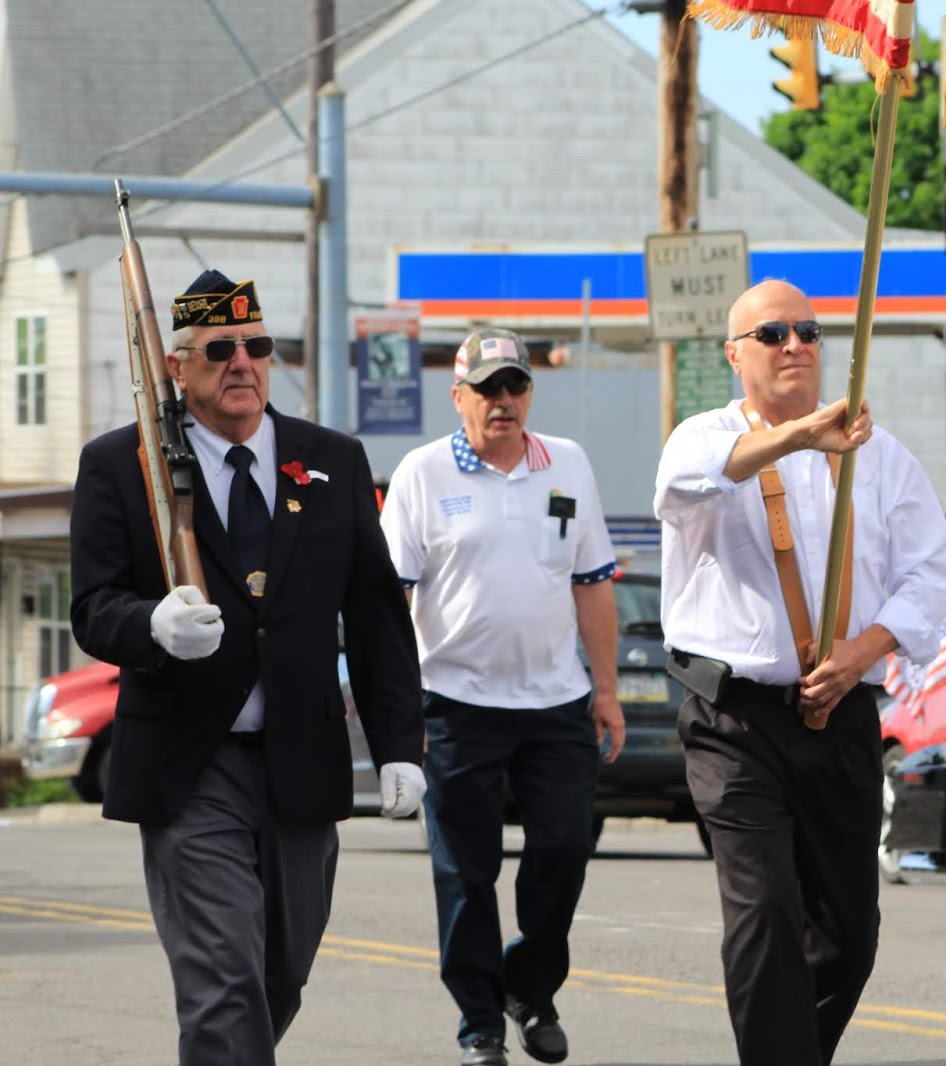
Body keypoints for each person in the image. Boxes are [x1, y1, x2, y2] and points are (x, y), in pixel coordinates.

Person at [69, 270, 425, 1066]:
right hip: (190, 764)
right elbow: (93, 606)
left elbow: (375, 615)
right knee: (224, 979)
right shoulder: (121, 464)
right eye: (220, 349)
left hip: (302, 757)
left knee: (279, 974)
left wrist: (401, 743)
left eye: (257, 346)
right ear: (176, 365)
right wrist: (151, 624)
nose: (243, 363)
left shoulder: (332, 460)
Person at [654, 279, 946, 1066]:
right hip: (735, 722)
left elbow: (931, 572)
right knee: (764, 914)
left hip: (842, 714)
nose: (794, 345)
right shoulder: (705, 437)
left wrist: (864, 649)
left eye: (808, 332)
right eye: (772, 334)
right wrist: (800, 438)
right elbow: (691, 481)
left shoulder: (880, 457)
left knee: (849, 935)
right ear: (735, 354)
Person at [379, 327, 626, 1066]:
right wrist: (400, 712)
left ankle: (530, 985)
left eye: (515, 386)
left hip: (556, 701)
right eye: (487, 389)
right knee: (466, 870)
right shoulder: (423, 473)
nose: (503, 401)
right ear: (458, 397)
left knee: (565, 850)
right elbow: (389, 602)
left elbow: (593, 583)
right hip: (454, 703)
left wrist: (606, 690)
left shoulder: (568, 462)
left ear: (530, 393)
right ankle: (481, 1023)